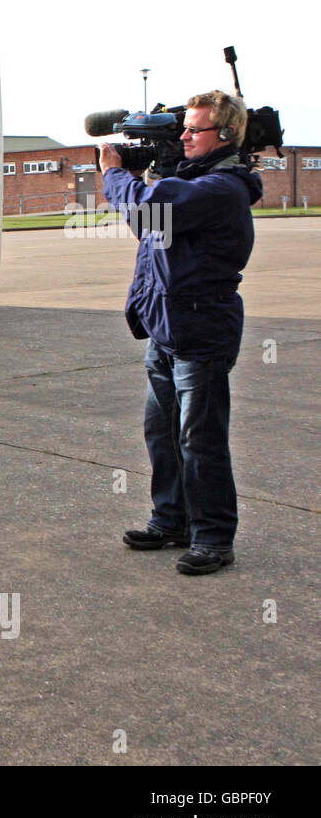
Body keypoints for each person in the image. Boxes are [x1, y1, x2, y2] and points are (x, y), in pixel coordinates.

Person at [100, 90, 263, 576]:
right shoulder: (187, 183)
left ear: (227, 135)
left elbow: (149, 213)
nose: (185, 136)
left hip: (200, 330)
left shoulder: (220, 188)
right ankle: (172, 520)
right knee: (162, 431)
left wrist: (113, 174)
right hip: (166, 328)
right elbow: (152, 228)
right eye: (183, 128)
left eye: (195, 129)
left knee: (200, 439)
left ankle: (213, 538)